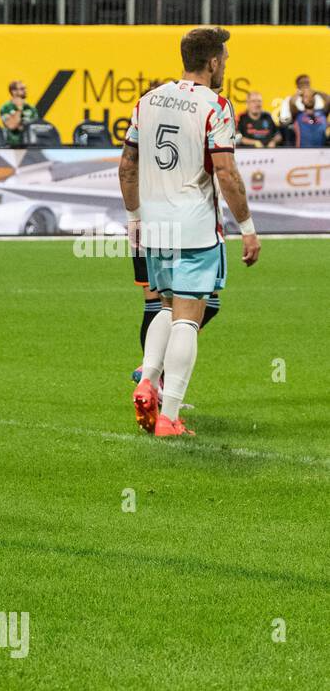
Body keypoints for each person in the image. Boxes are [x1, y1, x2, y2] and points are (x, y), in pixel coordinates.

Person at [119, 26, 260, 438]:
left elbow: (127, 166)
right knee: (188, 318)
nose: (226, 65)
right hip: (195, 228)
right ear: (212, 61)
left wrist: (134, 220)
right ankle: (170, 416)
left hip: (155, 226)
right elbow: (226, 173)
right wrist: (248, 228)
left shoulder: (148, 101)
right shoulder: (215, 106)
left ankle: (148, 381)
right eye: (225, 59)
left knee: (164, 307)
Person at [0, 80, 37, 147]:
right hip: (12, 145)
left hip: (30, 145)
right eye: (22, 89)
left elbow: (35, 127)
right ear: (14, 92)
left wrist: (20, 126)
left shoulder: (31, 108)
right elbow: (11, 126)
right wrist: (19, 109)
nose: (25, 90)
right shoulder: (6, 107)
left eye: (25, 88)